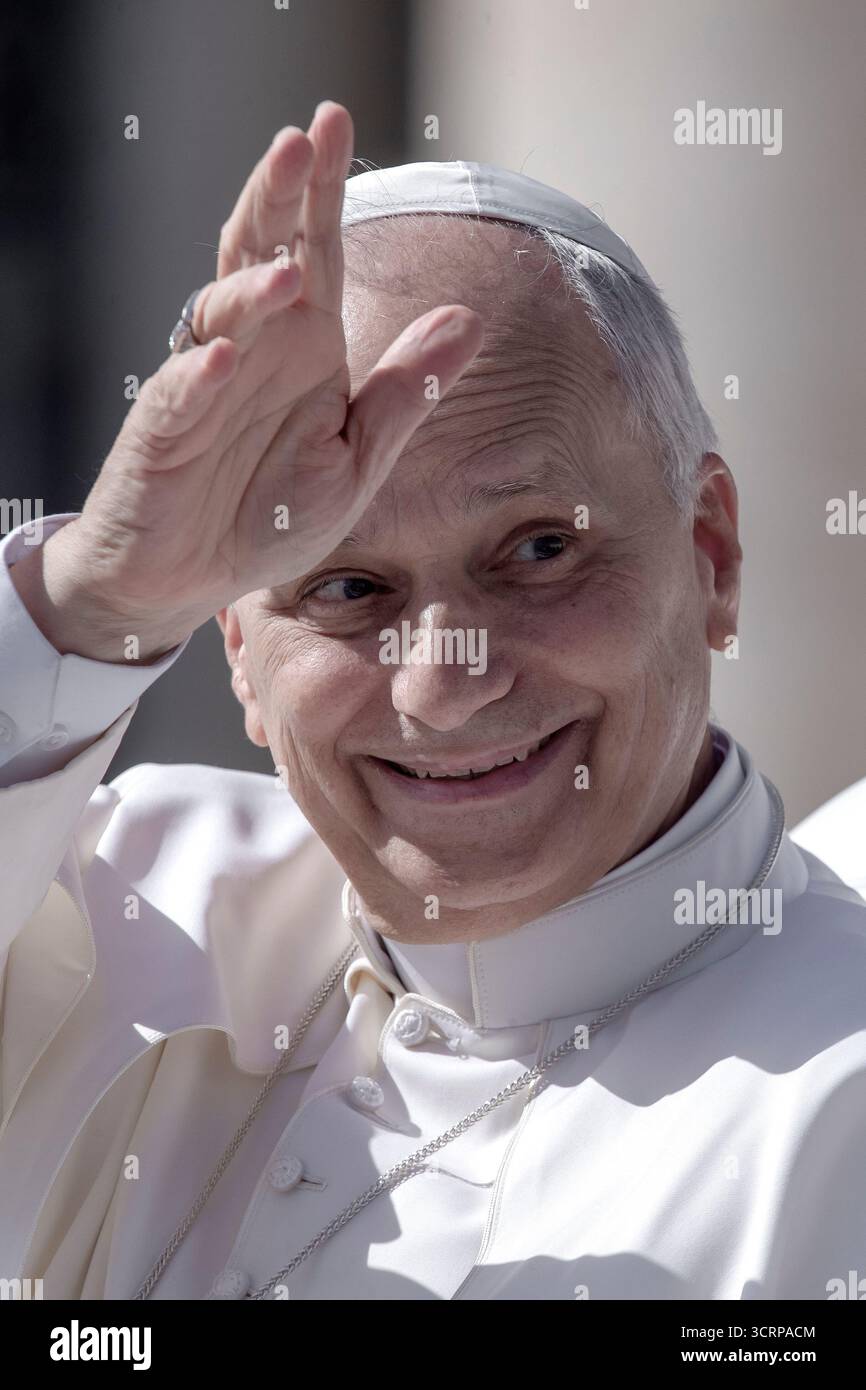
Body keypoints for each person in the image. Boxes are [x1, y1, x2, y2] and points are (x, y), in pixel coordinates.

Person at [1, 101, 864, 1302]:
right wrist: (91, 605)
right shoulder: (115, 896)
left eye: (537, 551)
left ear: (709, 555)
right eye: (348, 586)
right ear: (239, 649)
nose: (444, 686)